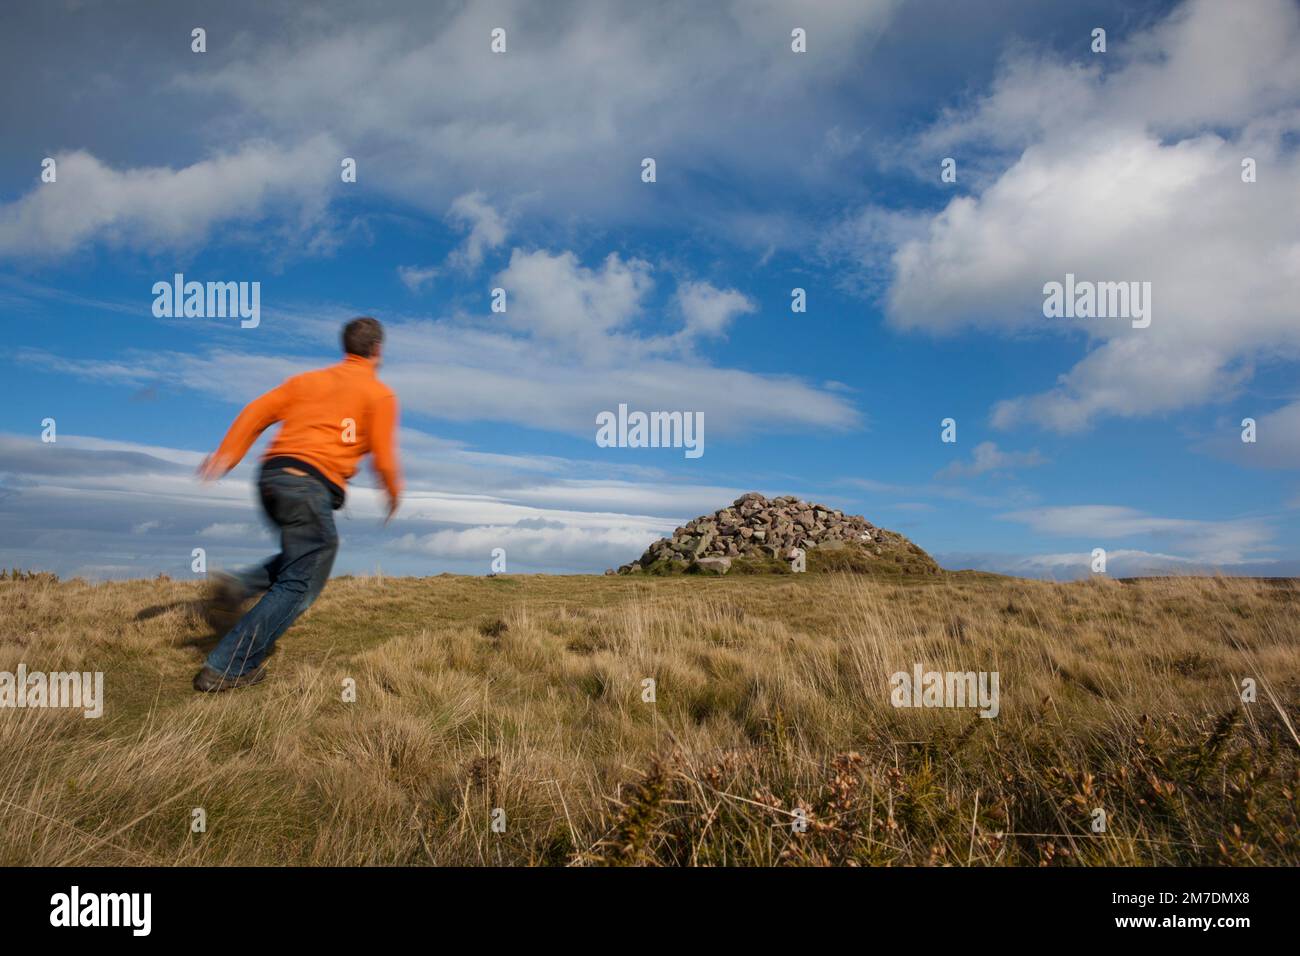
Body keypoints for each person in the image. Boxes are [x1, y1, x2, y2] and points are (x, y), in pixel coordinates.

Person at [192, 316, 402, 691]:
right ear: (378, 350)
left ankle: (238, 585)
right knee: (300, 583)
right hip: (309, 487)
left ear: (346, 347)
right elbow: (384, 456)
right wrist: (393, 492)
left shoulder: (307, 382)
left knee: (302, 558)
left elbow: (257, 411)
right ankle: (228, 665)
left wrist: (226, 455)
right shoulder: (378, 394)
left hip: (272, 479)